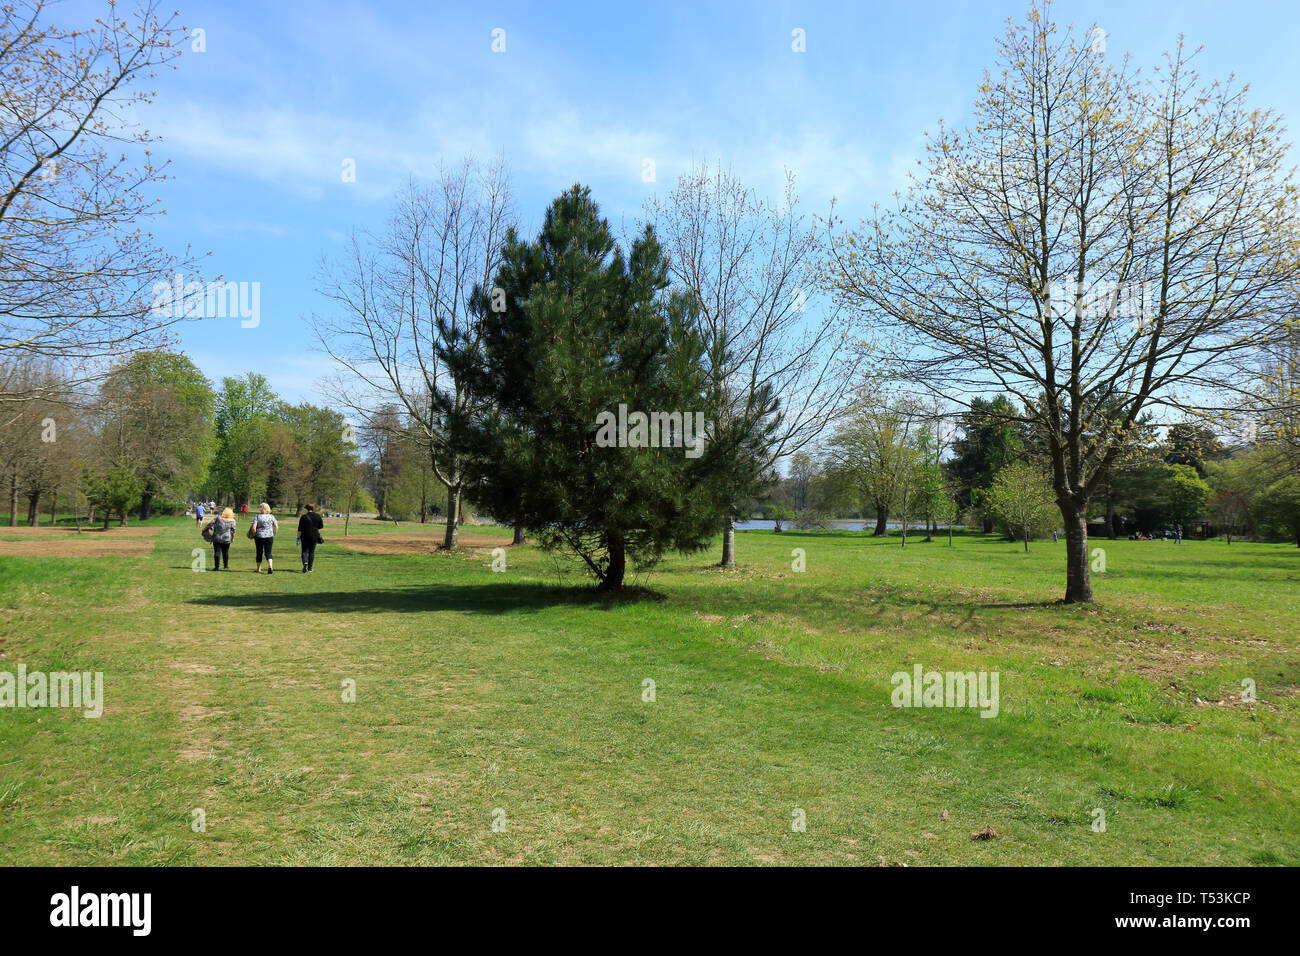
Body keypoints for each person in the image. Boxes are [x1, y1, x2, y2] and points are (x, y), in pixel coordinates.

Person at [252, 502, 279, 574]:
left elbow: (254, 528)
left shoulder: (257, 516)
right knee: (268, 552)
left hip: (259, 536)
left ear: (261, 509)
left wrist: (255, 534)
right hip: (269, 536)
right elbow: (276, 526)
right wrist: (273, 534)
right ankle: (270, 566)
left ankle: (258, 569)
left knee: (259, 552)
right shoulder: (271, 516)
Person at [297, 503, 325, 573]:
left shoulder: (303, 517)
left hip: (304, 536)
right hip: (314, 536)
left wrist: (298, 538)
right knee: (311, 552)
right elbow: (320, 526)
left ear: (306, 508)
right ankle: (310, 568)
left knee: (304, 551)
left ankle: (305, 563)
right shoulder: (318, 516)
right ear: (313, 508)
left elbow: (300, 529)